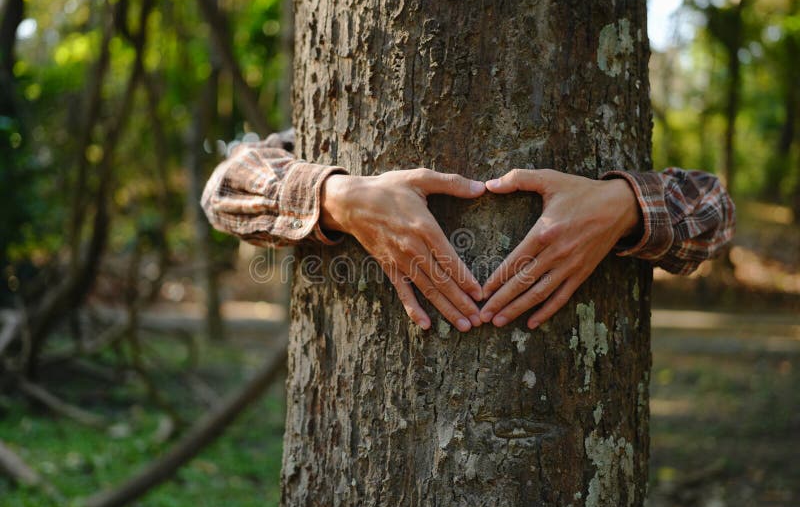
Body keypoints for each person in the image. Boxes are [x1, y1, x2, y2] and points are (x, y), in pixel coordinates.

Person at [202, 129, 735, 332]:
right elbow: (223, 191)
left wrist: (626, 205)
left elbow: (717, 210)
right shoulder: (331, 124)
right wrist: (336, 196)